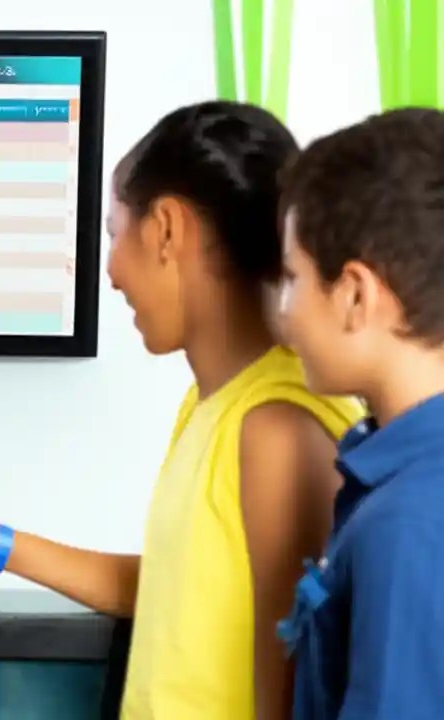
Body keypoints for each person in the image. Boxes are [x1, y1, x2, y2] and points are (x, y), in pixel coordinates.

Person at [0, 101, 366, 719]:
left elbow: (294, 686)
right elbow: (172, 592)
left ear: (165, 228)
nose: (110, 273)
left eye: (113, 231)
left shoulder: (277, 429)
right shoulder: (214, 406)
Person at [274, 108, 444, 719]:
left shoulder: (408, 522)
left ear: (354, 294)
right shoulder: (393, 485)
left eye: (292, 279)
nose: (285, 313)